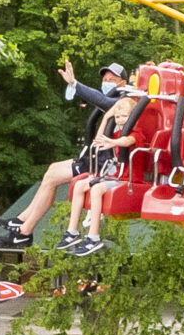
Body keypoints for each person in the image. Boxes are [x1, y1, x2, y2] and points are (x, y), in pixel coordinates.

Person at [0, 61, 130, 250]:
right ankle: (22, 222)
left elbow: (102, 101)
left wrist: (75, 84)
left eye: (111, 79)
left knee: (53, 176)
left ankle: (24, 230)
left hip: (104, 163)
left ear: (123, 82)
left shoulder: (123, 101)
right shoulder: (115, 99)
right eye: (105, 79)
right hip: (95, 158)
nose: (106, 82)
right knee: (51, 171)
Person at [60, 94, 143, 256]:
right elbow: (98, 140)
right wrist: (106, 118)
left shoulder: (137, 133)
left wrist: (113, 143)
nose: (119, 120)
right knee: (79, 185)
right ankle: (72, 231)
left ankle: (93, 236)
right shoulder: (117, 134)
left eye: (124, 116)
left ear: (133, 117)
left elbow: (128, 141)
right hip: (115, 176)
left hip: (128, 179)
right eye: (117, 117)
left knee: (97, 189)